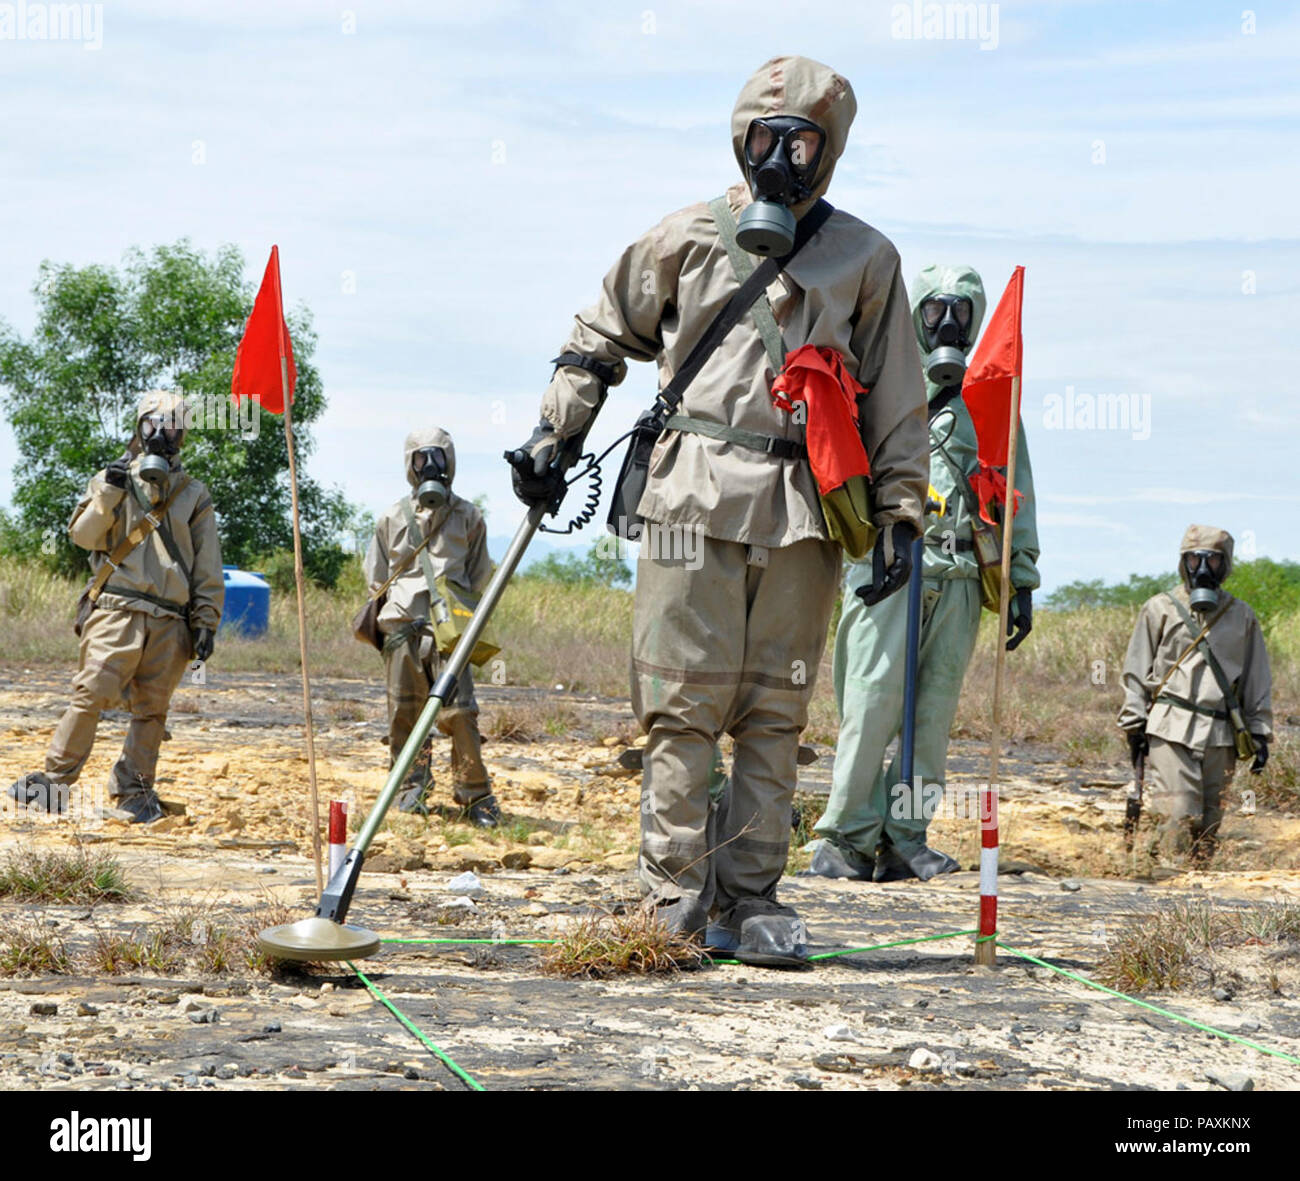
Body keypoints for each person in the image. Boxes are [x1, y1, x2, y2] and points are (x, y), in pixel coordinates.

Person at [507, 56, 928, 965]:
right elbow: (599, 335)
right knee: (680, 707)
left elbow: (896, 394)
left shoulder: (867, 257)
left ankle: (755, 900)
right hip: (684, 494)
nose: (782, 155)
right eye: (766, 137)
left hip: (807, 508)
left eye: (803, 140)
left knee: (775, 712)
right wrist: (554, 437)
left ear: (833, 149)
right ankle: (670, 895)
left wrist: (899, 514)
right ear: (740, 136)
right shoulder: (688, 234)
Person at [807, 264, 1040, 882]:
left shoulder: (992, 402)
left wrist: (1020, 580)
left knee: (932, 716)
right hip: (888, 569)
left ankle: (906, 837)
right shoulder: (880, 383)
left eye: (962, 313)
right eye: (936, 310)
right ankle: (845, 839)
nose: (947, 324)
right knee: (873, 703)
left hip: (960, 577)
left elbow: (1016, 491)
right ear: (914, 314)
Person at [8, 390, 224, 824]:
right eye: (153, 425)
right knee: (90, 694)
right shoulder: (111, 480)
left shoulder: (193, 494)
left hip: (170, 619)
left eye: (172, 427)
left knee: (152, 708)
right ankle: (54, 781)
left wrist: (205, 621)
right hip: (117, 607)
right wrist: (108, 494)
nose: (162, 434)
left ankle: (135, 789)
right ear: (139, 428)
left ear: (184, 435)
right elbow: (84, 538)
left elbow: (207, 564)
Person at [364, 427, 499, 827]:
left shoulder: (469, 517)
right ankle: (410, 790)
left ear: (451, 461)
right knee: (403, 715)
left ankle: (475, 797)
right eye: (422, 459)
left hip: (450, 634)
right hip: (403, 629)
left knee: (461, 715)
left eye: (438, 457)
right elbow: (376, 579)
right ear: (410, 464)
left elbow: (479, 578)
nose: (431, 467)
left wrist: (455, 616)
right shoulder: (391, 517)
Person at [1119, 525, 1272, 866]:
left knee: (1208, 823)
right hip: (1169, 726)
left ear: (1227, 564)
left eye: (1214, 560)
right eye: (1194, 559)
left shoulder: (1242, 616)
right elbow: (1135, 669)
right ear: (1182, 562)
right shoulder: (1159, 608)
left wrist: (1259, 731)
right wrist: (1134, 723)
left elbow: (1256, 678)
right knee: (1178, 812)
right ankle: (1167, 882)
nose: (1203, 568)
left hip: (1221, 731)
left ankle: (1195, 893)